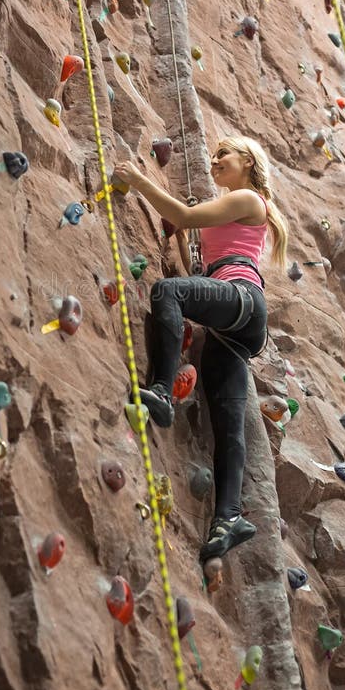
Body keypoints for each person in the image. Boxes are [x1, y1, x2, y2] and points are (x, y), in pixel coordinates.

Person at [114, 137, 288, 562]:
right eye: (213, 155)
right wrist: (181, 240)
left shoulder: (249, 198)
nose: (214, 161)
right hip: (235, 323)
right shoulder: (236, 209)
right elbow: (199, 268)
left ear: (248, 162)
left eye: (223, 155)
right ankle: (228, 518)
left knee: (167, 291)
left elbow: (186, 215)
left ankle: (160, 390)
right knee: (228, 421)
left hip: (240, 297)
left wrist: (137, 180)